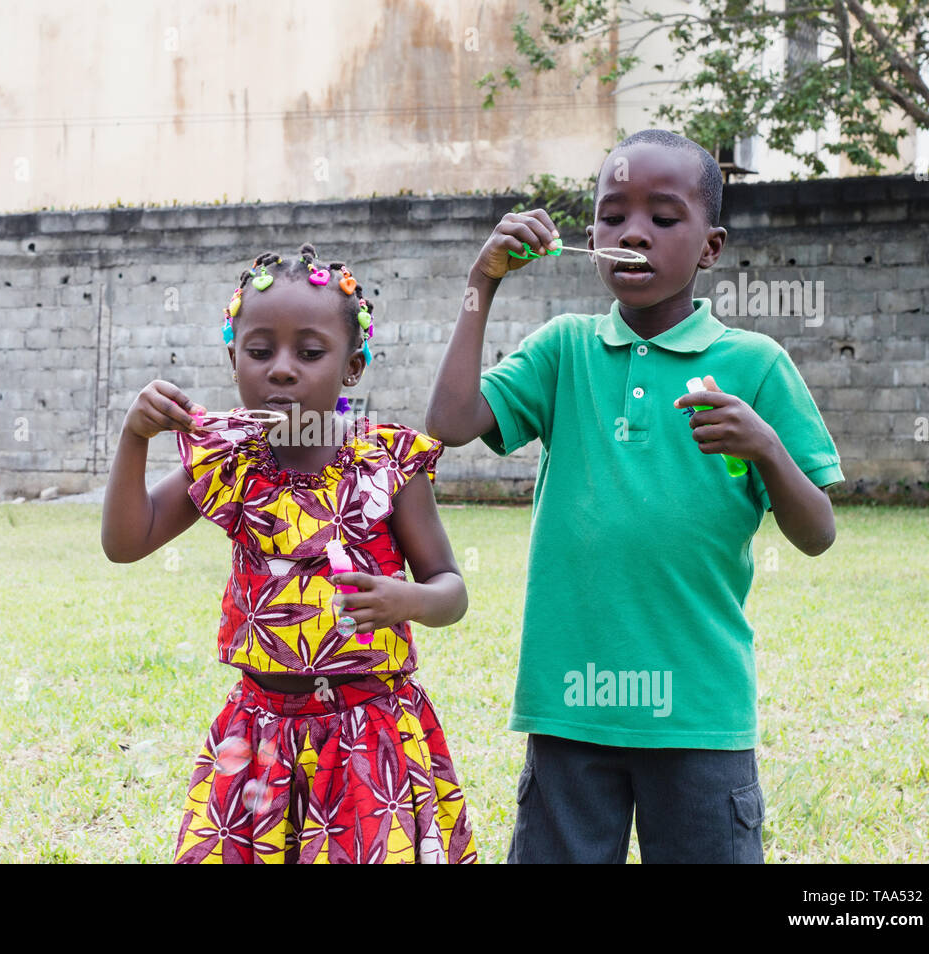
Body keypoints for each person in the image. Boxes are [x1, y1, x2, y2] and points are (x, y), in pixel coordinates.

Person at [425, 129, 843, 863]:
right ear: (588, 236)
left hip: (699, 716)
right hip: (571, 707)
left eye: (663, 216)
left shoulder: (756, 365)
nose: (633, 233)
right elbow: (449, 423)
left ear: (710, 247)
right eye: (612, 215)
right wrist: (482, 280)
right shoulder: (564, 349)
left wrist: (768, 450)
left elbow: (817, 533)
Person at [102, 244, 477, 864]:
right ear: (233, 359)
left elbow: (450, 589)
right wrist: (134, 437)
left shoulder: (387, 463)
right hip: (259, 734)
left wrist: (405, 598)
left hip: (367, 732)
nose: (281, 369)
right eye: (259, 351)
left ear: (352, 366)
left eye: (309, 352)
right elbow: (126, 541)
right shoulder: (232, 463)